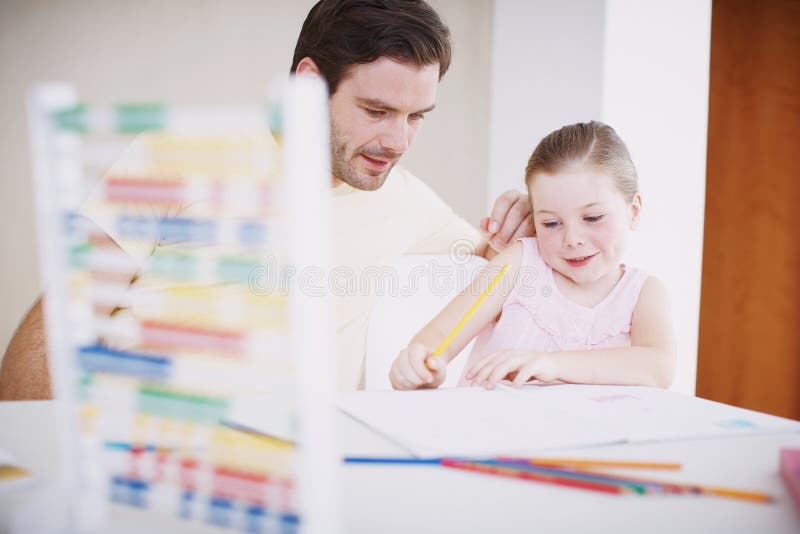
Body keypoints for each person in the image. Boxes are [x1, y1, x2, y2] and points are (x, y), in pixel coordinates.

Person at [0, 0, 534, 399]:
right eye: (376, 111)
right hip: (152, 457)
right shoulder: (176, 155)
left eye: (417, 117)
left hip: (303, 479)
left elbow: (519, 259)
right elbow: (55, 331)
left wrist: (536, 213)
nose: (398, 143)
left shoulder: (408, 200)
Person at [389, 121, 676, 391]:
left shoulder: (643, 293)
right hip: (491, 436)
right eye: (551, 223)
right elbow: (441, 335)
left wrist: (552, 364)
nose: (572, 239)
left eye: (592, 217)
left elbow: (658, 367)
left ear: (633, 211)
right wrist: (422, 363)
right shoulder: (518, 265)